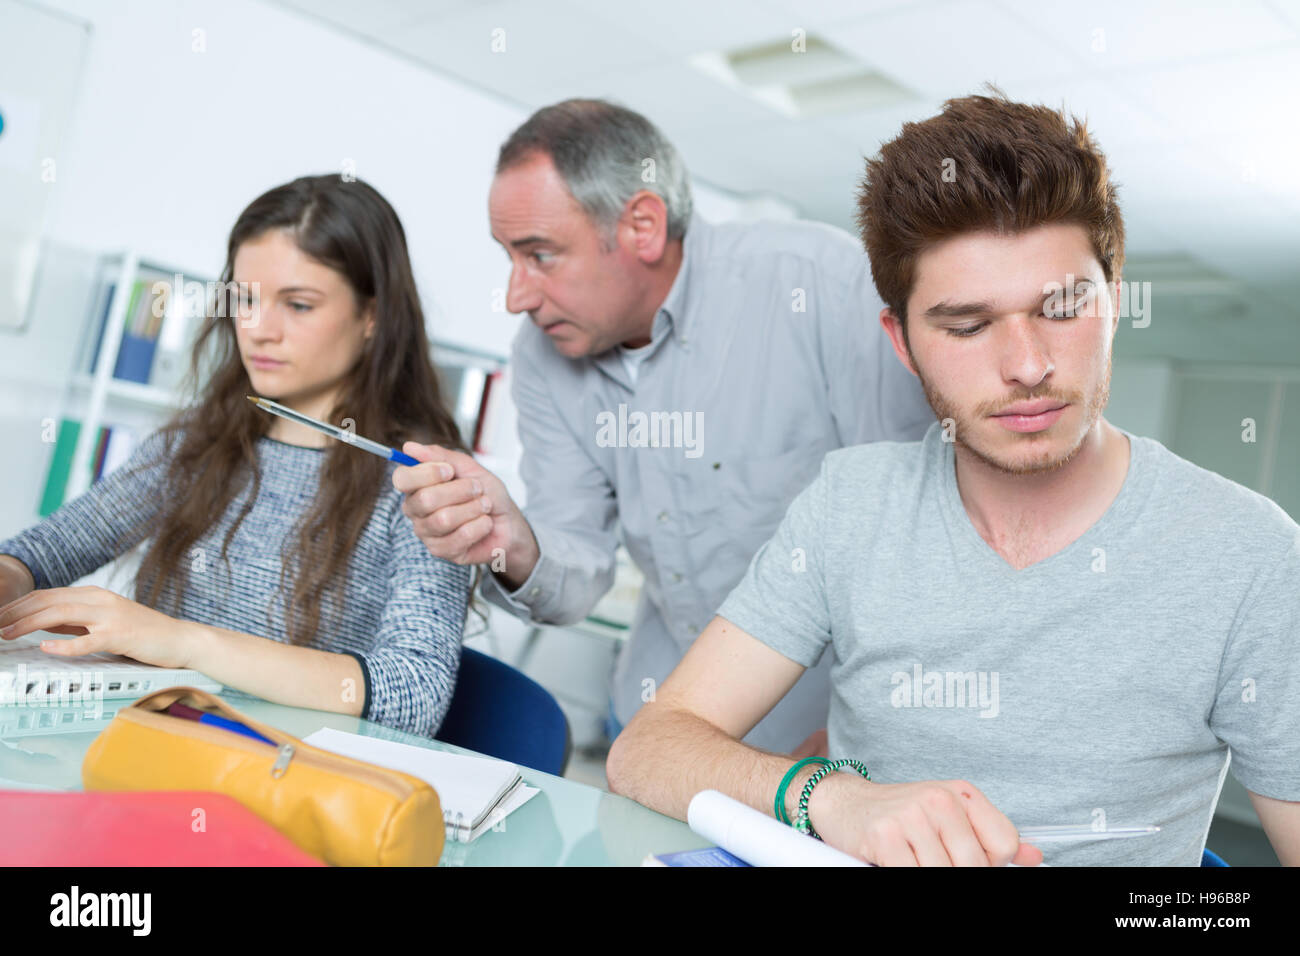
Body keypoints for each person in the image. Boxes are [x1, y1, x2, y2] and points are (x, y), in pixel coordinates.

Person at [604, 92, 1300, 867]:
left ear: (1114, 302)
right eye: (967, 326)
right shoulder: (852, 503)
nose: (1028, 365)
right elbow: (647, 749)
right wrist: (830, 797)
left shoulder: (1253, 555)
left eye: (1064, 308)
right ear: (901, 343)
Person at [393, 99, 933, 753]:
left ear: (642, 226)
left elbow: (918, 531)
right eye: (509, 257)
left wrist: (868, 733)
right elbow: (577, 575)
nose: (516, 296)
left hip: (826, 737)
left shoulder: (817, 284)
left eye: (539, 255)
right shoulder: (540, 357)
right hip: (657, 717)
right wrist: (513, 539)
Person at [0, 174, 472, 737]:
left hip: (283, 783)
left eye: (298, 305)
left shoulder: (424, 484)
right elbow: (44, 552)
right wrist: (10, 576)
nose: (258, 329)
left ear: (372, 316)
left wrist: (182, 643)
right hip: (152, 749)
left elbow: (413, 693)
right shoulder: (198, 442)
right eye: (244, 298)